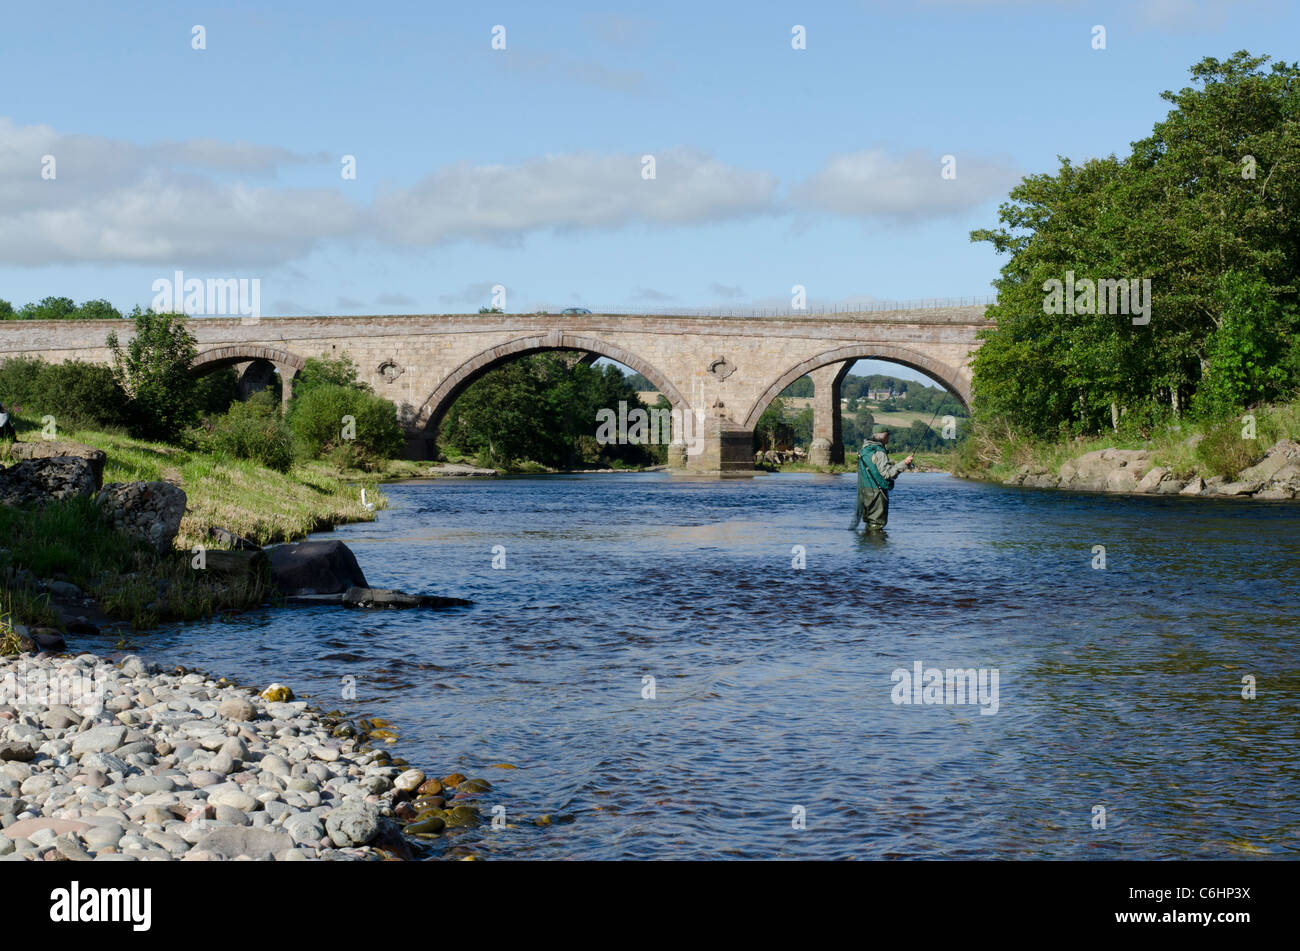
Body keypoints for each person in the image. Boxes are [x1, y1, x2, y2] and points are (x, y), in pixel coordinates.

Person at [850, 429, 912, 532]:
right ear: (884, 436)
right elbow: (888, 474)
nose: (889, 438)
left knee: (869, 522)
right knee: (877, 524)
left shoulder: (865, 449)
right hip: (877, 493)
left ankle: (866, 545)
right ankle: (877, 545)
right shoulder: (879, 452)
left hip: (865, 491)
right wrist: (904, 463)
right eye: (888, 435)